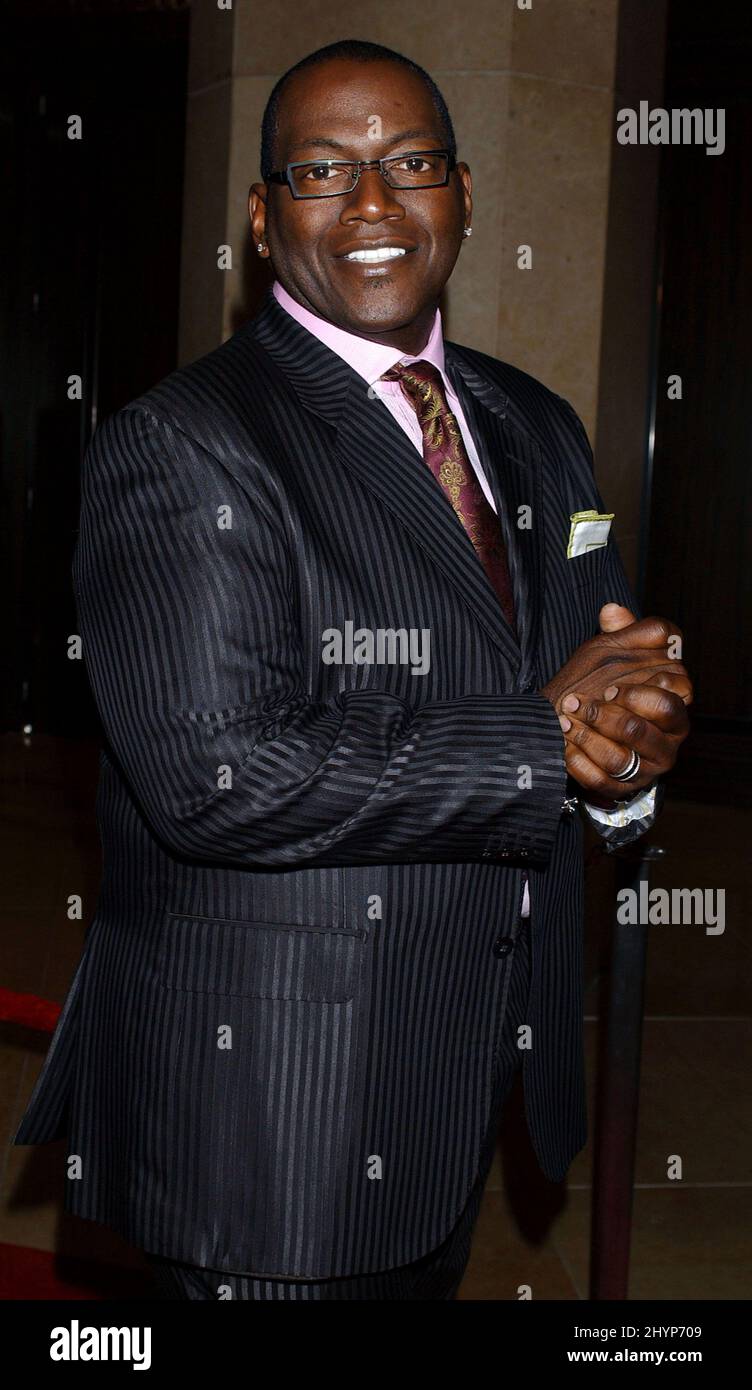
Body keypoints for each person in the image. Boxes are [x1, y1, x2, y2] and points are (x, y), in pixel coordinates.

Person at [13, 39, 691, 1301]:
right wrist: (543, 738)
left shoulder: (532, 421)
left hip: (456, 1067)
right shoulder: (184, 445)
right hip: (269, 1115)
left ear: (466, 195)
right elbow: (219, 773)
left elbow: (564, 685)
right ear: (265, 224)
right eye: (323, 171)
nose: (373, 203)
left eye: (411, 162)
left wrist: (621, 756)